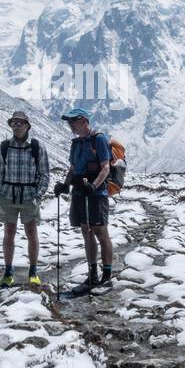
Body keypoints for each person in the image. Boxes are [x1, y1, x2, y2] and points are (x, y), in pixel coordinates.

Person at [53, 107, 114, 291]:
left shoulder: (99, 139)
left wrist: (94, 186)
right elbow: (72, 169)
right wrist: (65, 185)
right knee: (86, 231)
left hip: (97, 194)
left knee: (100, 232)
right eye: (69, 121)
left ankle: (107, 277)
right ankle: (92, 274)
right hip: (79, 192)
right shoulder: (75, 144)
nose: (70, 125)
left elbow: (105, 168)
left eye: (74, 121)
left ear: (84, 121)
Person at [0, 111, 50, 287]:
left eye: (20, 123)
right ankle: (8, 272)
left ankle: (33, 271)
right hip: (8, 196)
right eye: (14, 123)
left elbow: (44, 173)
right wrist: (0, 194)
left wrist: (37, 195)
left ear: (27, 125)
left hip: (28, 197)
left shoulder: (36, 146)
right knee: (8, 233)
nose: (16, 126)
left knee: (31, 233)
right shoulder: (4, 146)